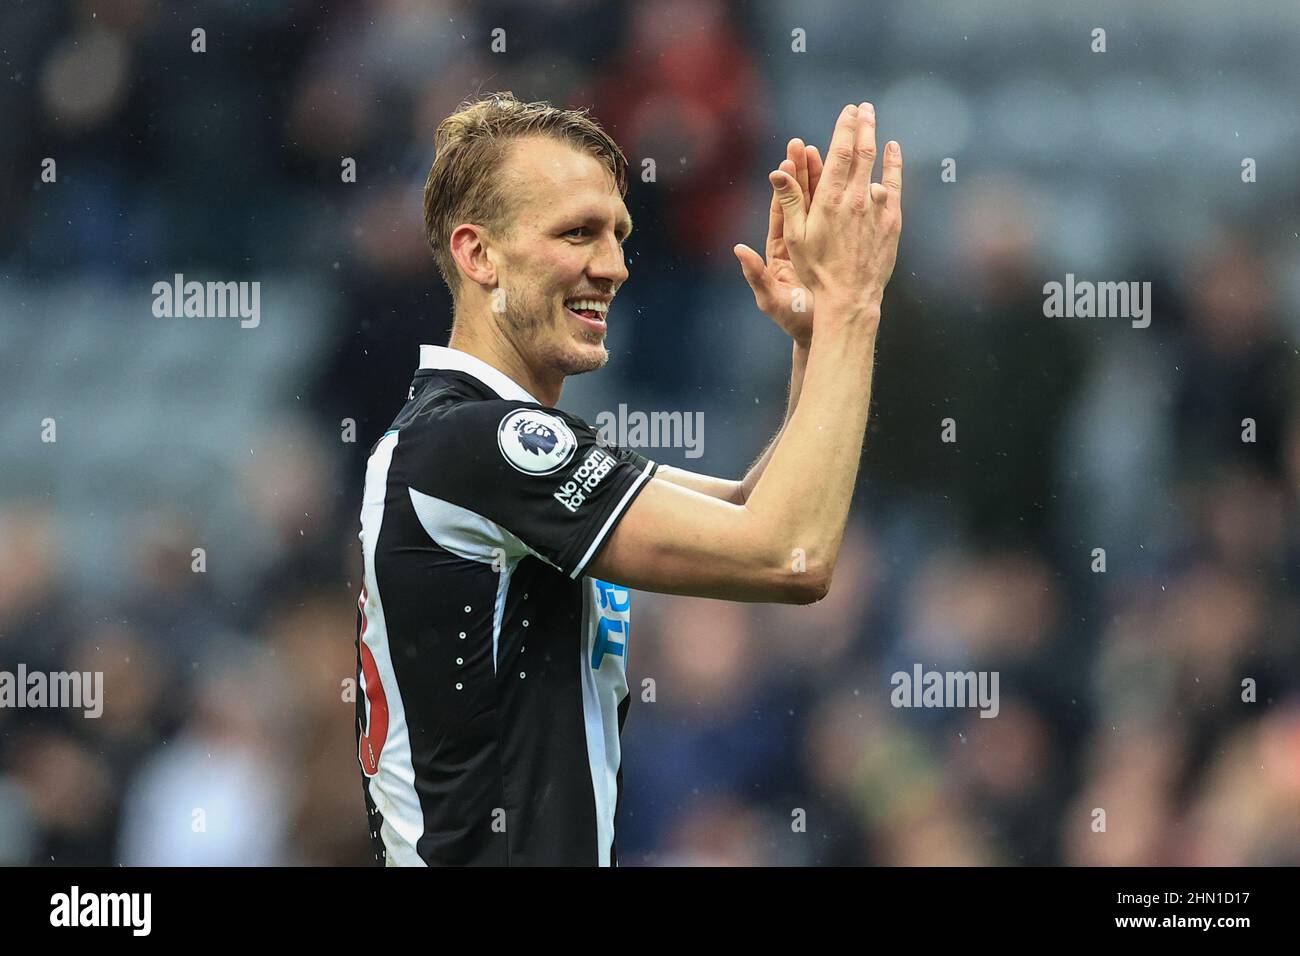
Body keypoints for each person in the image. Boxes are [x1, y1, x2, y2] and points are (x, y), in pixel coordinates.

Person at [354, 92, 903, 865]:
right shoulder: (480, 443)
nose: (612, 265)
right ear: (479, 255)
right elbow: (791, 555)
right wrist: (855, 309)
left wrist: (814, 338)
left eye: (619, 234)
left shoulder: (471, 444)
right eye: (576, 232)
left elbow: (754, 512)